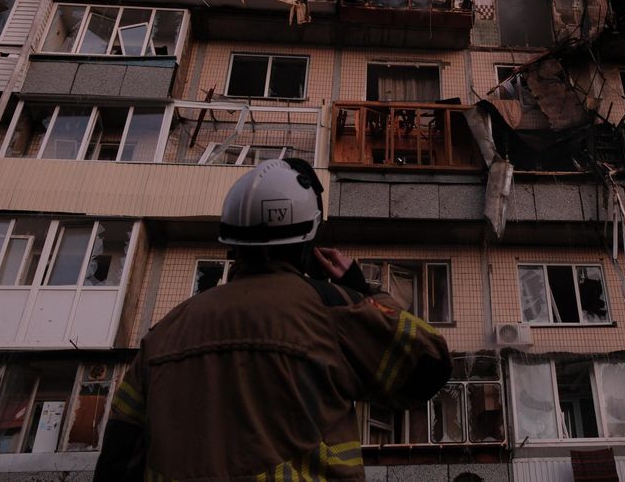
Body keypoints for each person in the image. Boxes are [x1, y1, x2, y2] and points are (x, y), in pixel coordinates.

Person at [94, 158, 451, 481]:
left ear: (231, 244)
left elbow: (118, 460)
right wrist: (362, 291)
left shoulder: (164, 333)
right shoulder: (333, 311)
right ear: (308, 242)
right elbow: (428, 366)